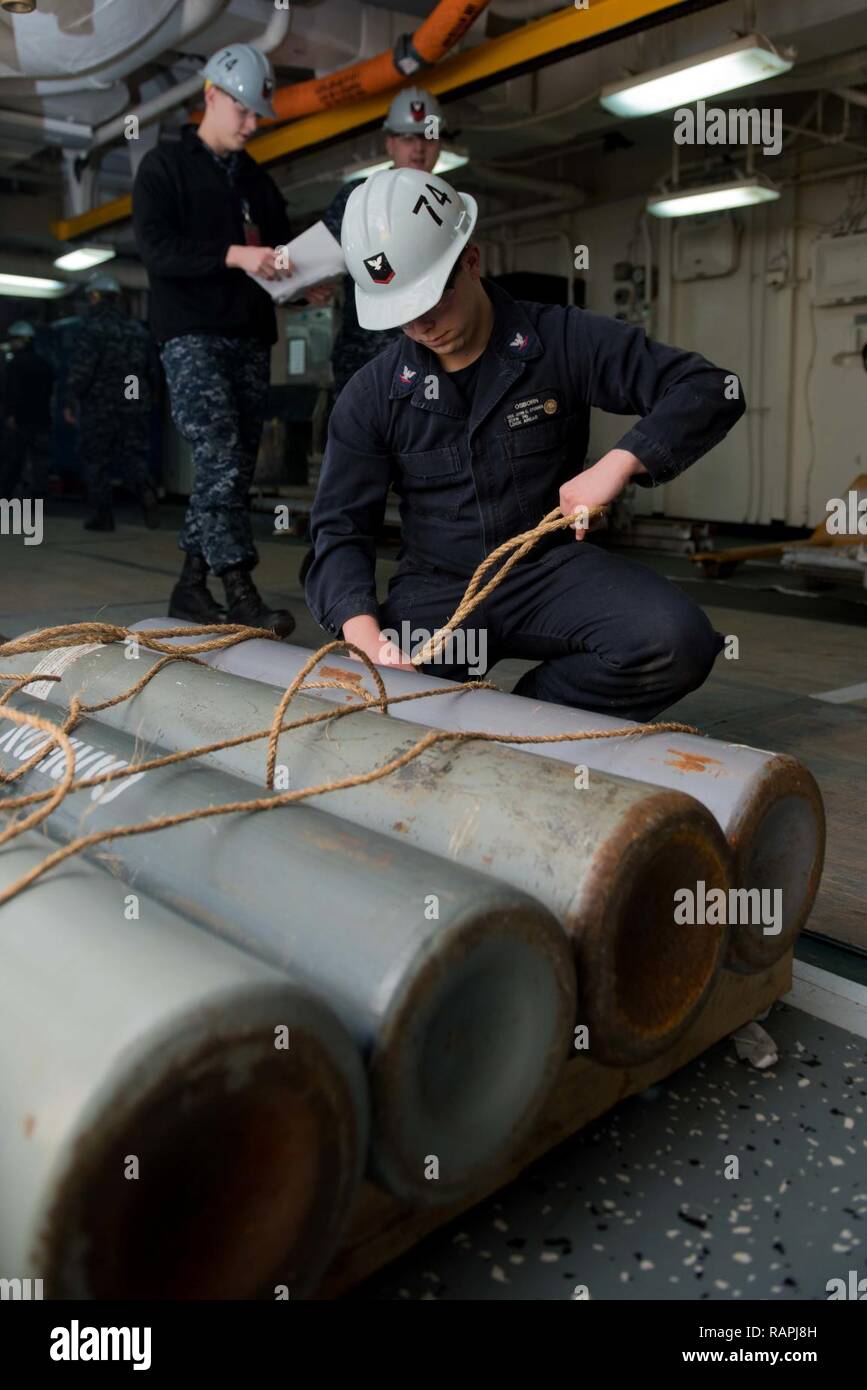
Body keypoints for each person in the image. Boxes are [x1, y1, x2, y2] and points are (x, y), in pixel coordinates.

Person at [305, 168, 747, 721]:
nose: (422, 325)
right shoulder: (372, 396)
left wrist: (620, 462)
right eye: (402, 316)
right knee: (376, 704)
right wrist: (369, 641)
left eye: (431, 301)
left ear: (471, 261)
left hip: (548, 571)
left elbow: (710, 388)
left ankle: (530, 717)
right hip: (440, 590)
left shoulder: (561, 340)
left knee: (675, 641)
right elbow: (339, 530)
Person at [133, 42, 327, 632]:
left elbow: (278, 257)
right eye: (241, 110)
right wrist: (235, 254)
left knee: (234, 469)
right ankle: (240, 591)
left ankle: (189, 589)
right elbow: (158, 252)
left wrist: (302, 283)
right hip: (191, 335)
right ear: (210, 96)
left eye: (257, 114)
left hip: (248, 336)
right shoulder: (164, 169)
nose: (250, 123)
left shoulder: (257, 183)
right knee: (218, 455)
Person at [297, 87, 446, 588]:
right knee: (356, 468)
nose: (419, 148)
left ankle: (424, 574)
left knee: (427, 467)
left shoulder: (446, 204)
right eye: (408, 138)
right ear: (389, 143)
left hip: (429, 357)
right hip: (366, 358)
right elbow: (311, 264)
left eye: (428, 138)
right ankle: (330, 567)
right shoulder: (359, 198)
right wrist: (305, 286)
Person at [63, 274, 159, 531]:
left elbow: (83, 370)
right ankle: (146, 491)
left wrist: (71, 400)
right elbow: (152, 371)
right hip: (134, 398)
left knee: (96, 459)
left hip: (100, 402)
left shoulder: (91, 328)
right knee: (134, 455)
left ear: (95, 297)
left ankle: (102, 515)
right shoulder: (137, 329)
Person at [2, 321, 54, 501]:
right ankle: (38, 497)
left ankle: (6, 495)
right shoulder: (44, 364)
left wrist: (10, 415)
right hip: (42, 419)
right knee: (40, 462)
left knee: (14, 460)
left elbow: (11, 392)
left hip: (21, 421)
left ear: (23, 340)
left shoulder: (15, 364)